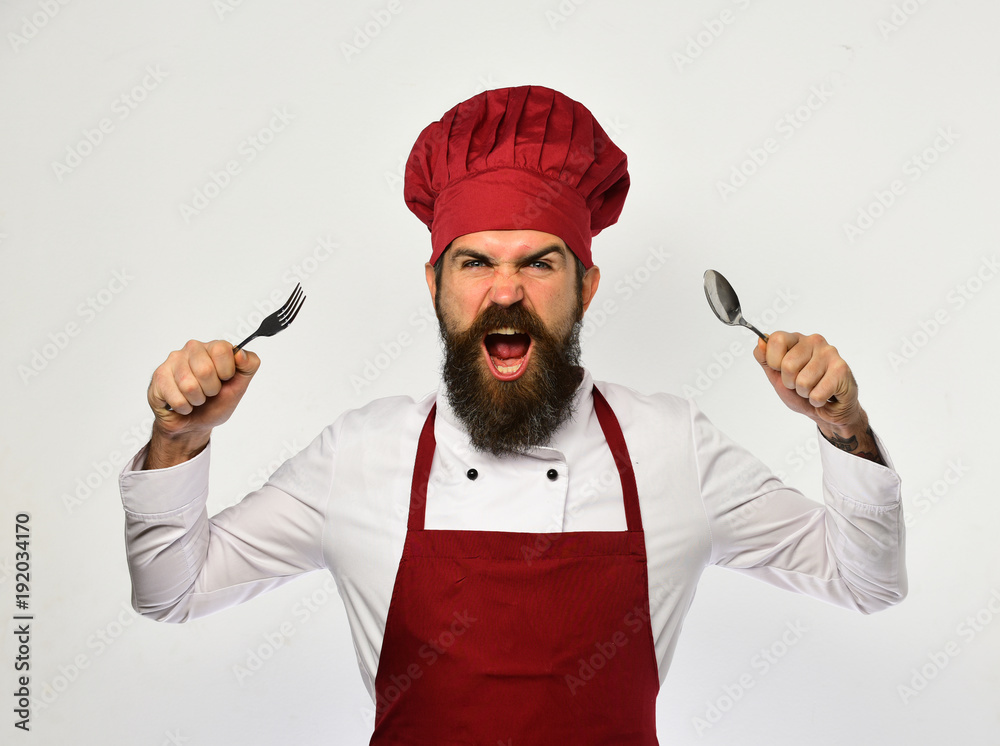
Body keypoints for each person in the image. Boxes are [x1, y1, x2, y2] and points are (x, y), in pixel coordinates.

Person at [119, 85, 905, 744]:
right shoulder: (360, 453)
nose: (506, 291)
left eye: (538, 262)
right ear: (435, 284)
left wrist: (844, 429)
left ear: (586, 287)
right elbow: (171, 591)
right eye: (475, 262)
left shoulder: (672, 446)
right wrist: (179, 439)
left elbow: (865, 581)